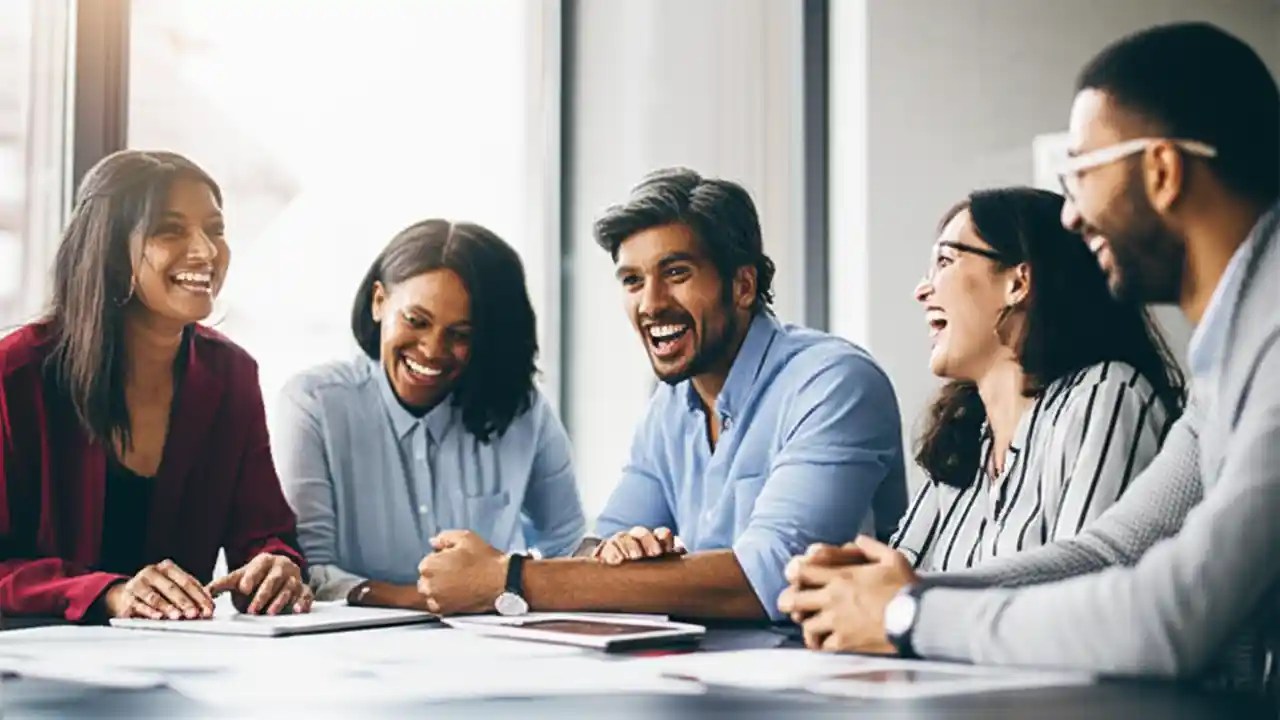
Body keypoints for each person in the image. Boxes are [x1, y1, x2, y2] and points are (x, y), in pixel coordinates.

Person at [778, 22, 1280, 685]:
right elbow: (1114, 548)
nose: (1069, 216)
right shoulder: (1231, 355)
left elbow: (1173, 615)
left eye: (1081, 174)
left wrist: (907, 616)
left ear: (1162, 171)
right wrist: (912, 594)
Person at [412, 168, 907, 620]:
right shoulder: (670, 407)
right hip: (704, 678)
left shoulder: (833, 383)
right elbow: (599, 546)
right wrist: (623, 552)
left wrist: (509, 578)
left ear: (742, 285)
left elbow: (773, 579)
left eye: (676, 274)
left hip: (832, 683)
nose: (651, 304)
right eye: (632, 281)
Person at [0, 150, 310, 623]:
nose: (206, 250)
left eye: (215, 229)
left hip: (177, 670)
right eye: (171, 230)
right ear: (109, 249)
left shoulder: (231, 376)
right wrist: (109, 593)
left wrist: (275, 566)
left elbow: (266, 533)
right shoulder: (16, 375)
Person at [274, 220, 586, 609]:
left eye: (461, 335)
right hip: (352, 650)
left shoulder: (522, 411)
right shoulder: (315, 404)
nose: (432, 350)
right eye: (416, 321)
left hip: (489, 649)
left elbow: (568, 545)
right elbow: (309, 569)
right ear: (378, 302)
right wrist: (432, 600)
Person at [892, 187, 1183, 572]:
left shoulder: (1104, 395)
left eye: (945, 261)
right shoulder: (964, 436)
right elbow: (895, 577)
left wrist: (914, 604)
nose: (921, 290)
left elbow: (1080, 592)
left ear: (1018, 283)